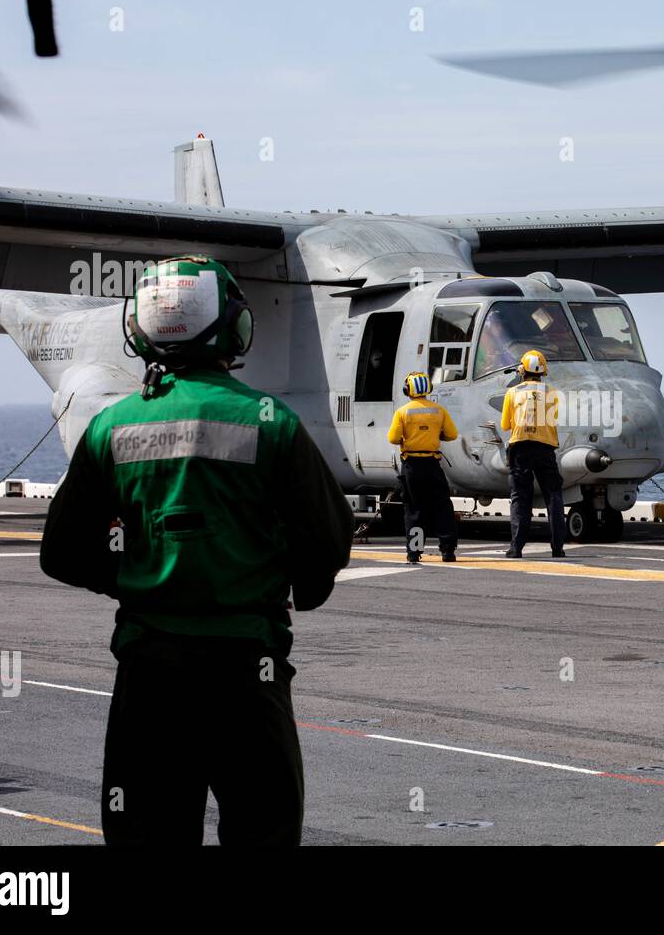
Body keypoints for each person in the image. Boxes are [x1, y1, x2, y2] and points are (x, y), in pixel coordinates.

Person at [39, 254, 354, 846]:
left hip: (150, 672)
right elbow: (329, 539)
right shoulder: (272, 422)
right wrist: (300, 589)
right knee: (265, 831)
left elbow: (61, 552)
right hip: (247, 670)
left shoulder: (111, 427)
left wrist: (137, 575)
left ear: (138, 333)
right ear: (234, 329)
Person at [387, 371, 459, 563]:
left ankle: (414, 552)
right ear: (429, 389)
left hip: (411, 465)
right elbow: (452, 434)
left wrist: (408, 439)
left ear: (407, 390)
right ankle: (447, 551)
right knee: (442, 506)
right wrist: (436, 436)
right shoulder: (439, 410)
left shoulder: (402, 412)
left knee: (414, 509)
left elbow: (393, 438)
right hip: (432, 464)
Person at [501, 349, 566, 558]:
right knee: (554, 496)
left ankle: (516, 548)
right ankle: (557, 548)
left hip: (520, 448)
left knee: (520, 497)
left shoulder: (512, 393)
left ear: (522, 370)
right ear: (542, 371)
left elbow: (505, 425)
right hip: (545, 448)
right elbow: (553, 419)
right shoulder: (553, 393)